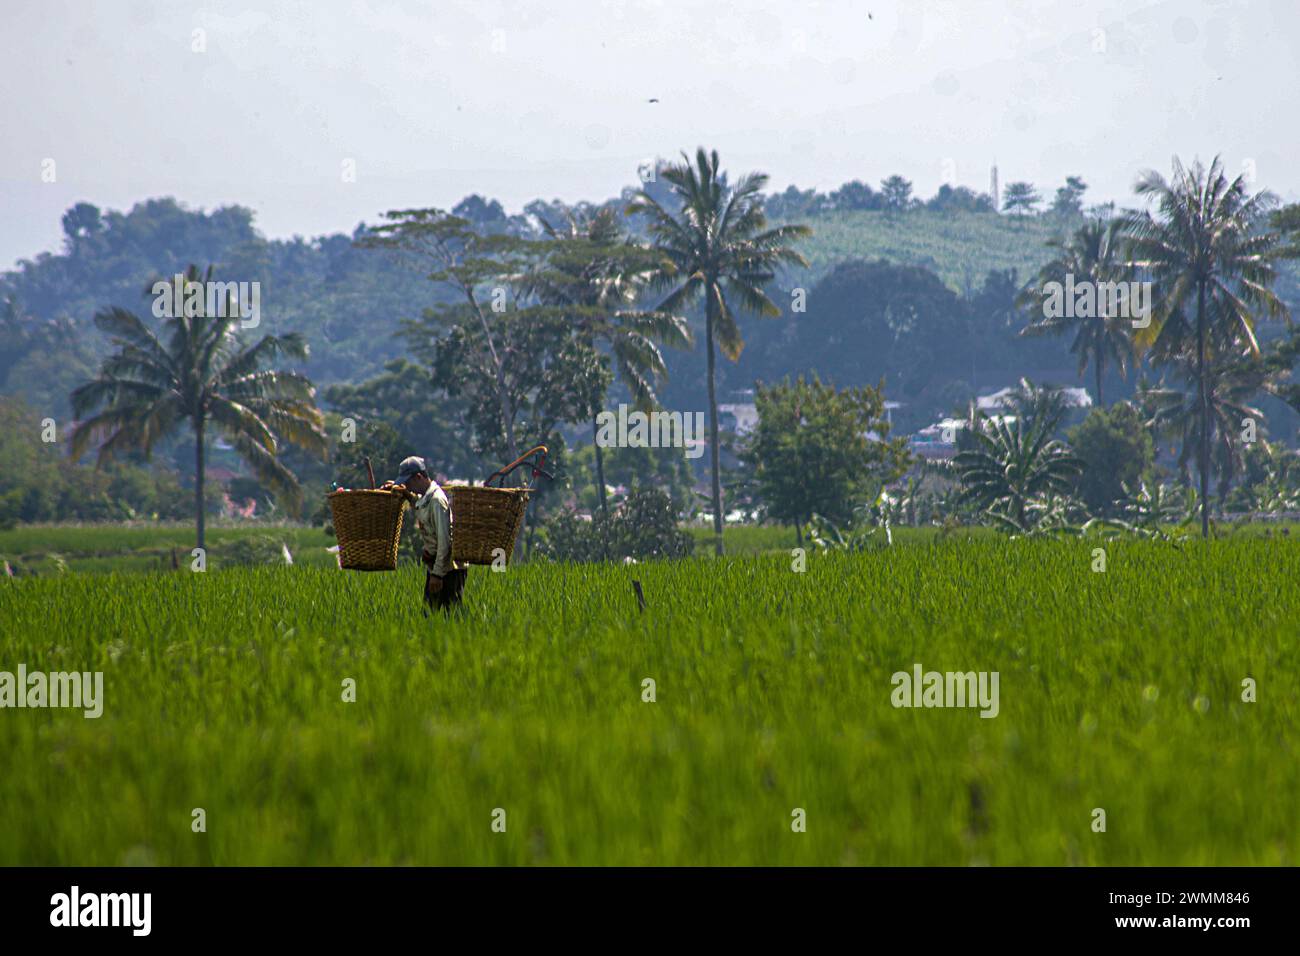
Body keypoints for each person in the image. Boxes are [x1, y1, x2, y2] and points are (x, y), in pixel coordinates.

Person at [385, 456, 467, 613]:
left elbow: (445, 542)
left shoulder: (437, 501)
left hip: (448, 570)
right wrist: (407, 495)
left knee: (449, 615)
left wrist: (437, 575)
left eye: (408, 483)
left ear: (418, 477)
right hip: (438, 567)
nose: (407, 486)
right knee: (430, 615)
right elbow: (421, 506)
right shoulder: (427, 498)